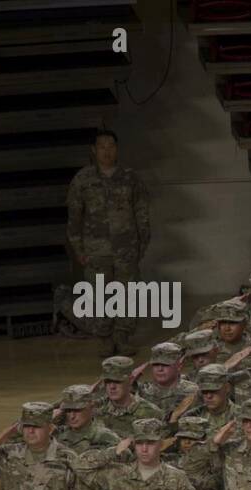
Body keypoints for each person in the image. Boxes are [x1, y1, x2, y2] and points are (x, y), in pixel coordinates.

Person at [66, 128, 150, 356]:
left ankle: (122, 336)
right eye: (102, 147)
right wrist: (78, 249)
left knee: (127, 293)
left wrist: (142, 244)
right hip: (95, 250)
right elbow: (74, 217)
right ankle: (104, 338)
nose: (107, 151)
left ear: (117, 149)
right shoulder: (83, 180)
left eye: (111, 146)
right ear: (93, 150)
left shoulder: (130, 178)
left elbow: (142, 212)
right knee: (99, 295)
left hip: (126, 248)